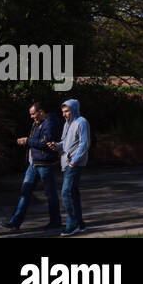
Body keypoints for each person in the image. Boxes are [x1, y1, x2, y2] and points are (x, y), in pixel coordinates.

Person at [1, 102, 63, 232]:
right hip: (33, 164)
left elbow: (46, 143)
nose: (31, 116)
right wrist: (27, 142)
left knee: (50, 194)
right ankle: (15, 222)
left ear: (41, 112)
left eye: (33, 114)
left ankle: (55, 221)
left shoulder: (49, 123)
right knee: (25, 192)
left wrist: (27, 141)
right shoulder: (36, 123)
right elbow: (36, 141)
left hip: (45, 165)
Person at [49, 98, 89, 236]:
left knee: (66, 193)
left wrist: (75, 161)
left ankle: (72, 225)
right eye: (63, 111)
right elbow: (65, 142)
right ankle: (80, 224)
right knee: (73, 194)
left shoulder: (81, 122)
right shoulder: (67, 124)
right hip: (66, 163)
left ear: (74, 110)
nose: (64, 114)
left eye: (67, 111)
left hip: (74, 164)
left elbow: (84, 144)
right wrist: (56, 146)